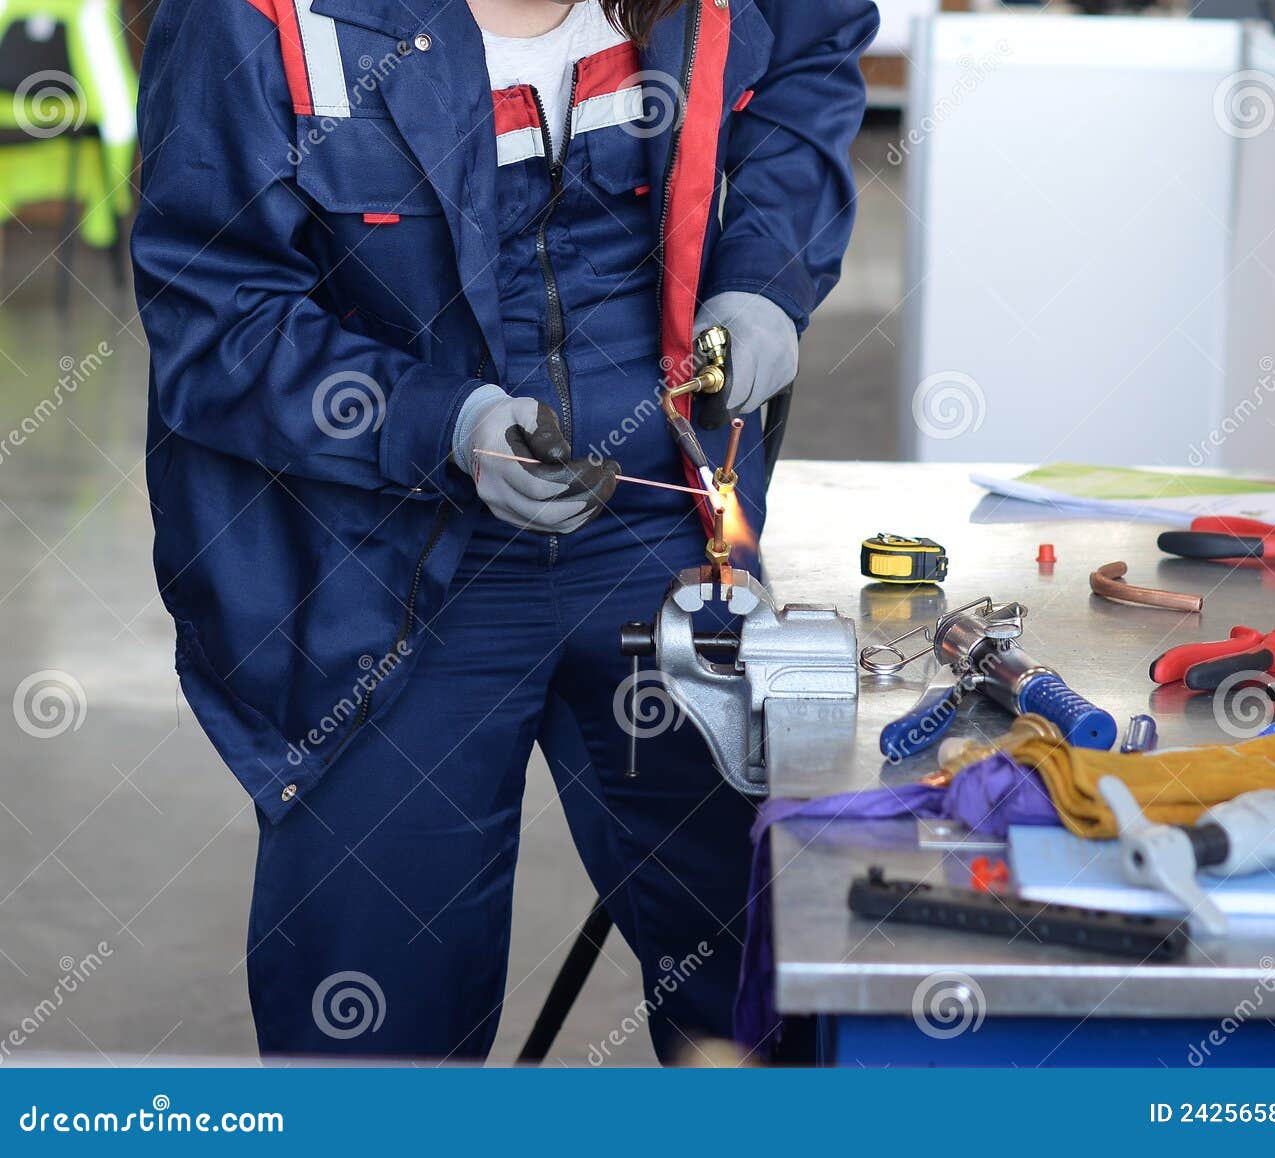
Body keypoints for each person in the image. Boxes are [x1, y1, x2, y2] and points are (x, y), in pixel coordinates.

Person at [131, 0, 876, 1062]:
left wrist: (765, 276)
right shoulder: (256, 21)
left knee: (767, 985)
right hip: (381, 577)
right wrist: (445, 421)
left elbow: (811, 53)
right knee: (377, 1030)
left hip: (665, 541)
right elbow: (218, 316)